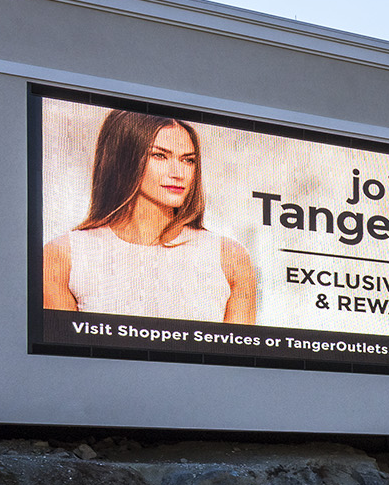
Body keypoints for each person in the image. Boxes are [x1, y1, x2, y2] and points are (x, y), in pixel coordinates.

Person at [42, 109, 257, 324]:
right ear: (122, 159)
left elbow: (241, 356)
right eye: (160, 156)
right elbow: (60, 356)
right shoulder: (65, 254)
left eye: (188, 160)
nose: (178, 173)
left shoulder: (230, 257)